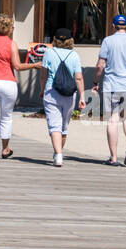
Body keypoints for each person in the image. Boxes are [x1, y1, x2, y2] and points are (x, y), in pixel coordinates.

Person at [0, 13, 42, 159]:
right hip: (8, 83)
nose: (13, 29)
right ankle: (5, 149)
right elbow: (17, 66)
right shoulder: (11, 44)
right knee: (6, 117)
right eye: (12, 27)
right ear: (8, 29)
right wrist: (35, 65)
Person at [91, 14, 126, 166]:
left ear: (113, 25)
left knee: (113, 120)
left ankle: (114, 158)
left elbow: (100, 65)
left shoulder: (108, 41)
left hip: (112, 86)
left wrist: (95, 82)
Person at [40, 28, 86, 166]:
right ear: (70, 40)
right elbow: (78, 78)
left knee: (54, 126)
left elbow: (43, 75)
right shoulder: (74, 55)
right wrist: (82, 96)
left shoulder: (49, 53)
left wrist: (42, 90)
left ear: (55, 39)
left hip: (51, 92)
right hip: (69, 94)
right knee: (64, 127)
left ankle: (58, 155)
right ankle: (59, 153)